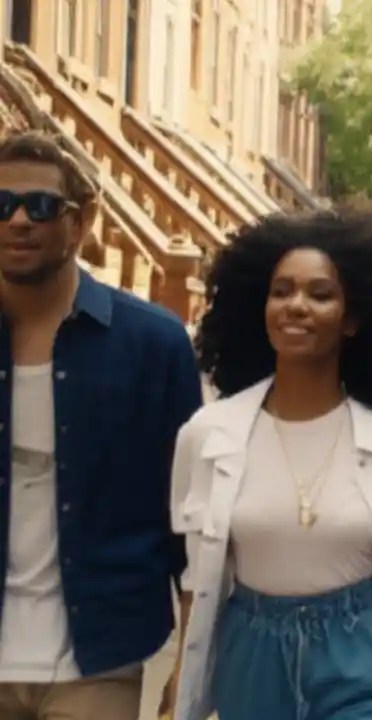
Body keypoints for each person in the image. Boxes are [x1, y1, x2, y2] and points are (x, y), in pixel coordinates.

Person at [169, 212, 372, 720]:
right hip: (251, 655)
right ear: (259, 306)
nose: (297, 305)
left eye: (320, 294)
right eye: (282, 290)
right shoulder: (209, 435)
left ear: (353, 317)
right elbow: (196, 579)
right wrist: (184, 677)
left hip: (362, 654)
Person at [0, 132, 203, 720]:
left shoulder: (154, 344)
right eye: (1, 205)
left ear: (81, 221)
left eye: (40, 206)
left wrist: (191, 662)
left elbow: (188, 521)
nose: (17, 221)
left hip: (100, 658)